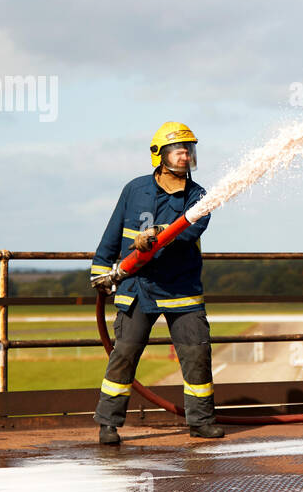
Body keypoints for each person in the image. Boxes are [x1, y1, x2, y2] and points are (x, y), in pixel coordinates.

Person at [89, 122, 222, 444]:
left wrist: (157, 234)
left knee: (196, 356)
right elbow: (113, 232)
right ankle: (108, 424)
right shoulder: (134, 190)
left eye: (189, 148)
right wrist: (100, 269)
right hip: (138, 289)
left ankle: (201, 421)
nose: (184, 154)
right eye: (177, 148)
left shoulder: (200, 196)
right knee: (124, 355)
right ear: (158, 154)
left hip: (183, 290)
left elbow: (189, 231)